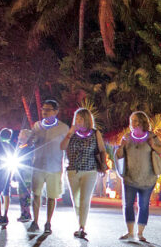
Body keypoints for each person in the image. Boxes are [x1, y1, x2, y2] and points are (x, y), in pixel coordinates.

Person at [115, 111, 161, 242]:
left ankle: (140, 233)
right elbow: (119, 155)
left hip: (148, 178)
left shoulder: (151, 136)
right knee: (128, 204)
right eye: (131, 120)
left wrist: (153, 145)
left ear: (142, 121)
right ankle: (130, 231)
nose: (132, 123)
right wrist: (122, 146)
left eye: (135, 120)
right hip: (130, 177)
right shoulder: (127, 137)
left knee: (143, 205)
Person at [26, 99, 69, 234]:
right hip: (38, 165)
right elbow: (29, 142)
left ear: (56, 112)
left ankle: (48, 223)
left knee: (52, 196)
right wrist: (30, 140)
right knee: (36, 194)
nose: (44, 111)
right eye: (43, 109)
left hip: (54, 167)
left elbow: (67, 146)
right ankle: (35, 221)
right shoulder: (37, 125)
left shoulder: (63, 128)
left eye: (48, 109)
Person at [61, 108, 105, 239]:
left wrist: (103, 165)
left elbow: (102, 150)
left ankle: (82, 227)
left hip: (90, 170)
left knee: (85, 199)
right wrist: (70, 133)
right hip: (73, 170)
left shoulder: (94, 133)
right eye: (76, 118)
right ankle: (79, 223)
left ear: (87, 120)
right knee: (76, 200)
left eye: (80, 118)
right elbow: (62, 147)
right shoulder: (72, 134)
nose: (78, 121)